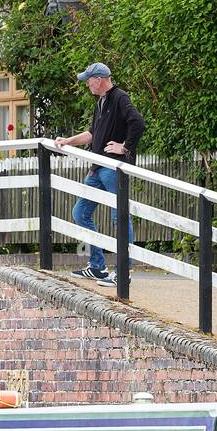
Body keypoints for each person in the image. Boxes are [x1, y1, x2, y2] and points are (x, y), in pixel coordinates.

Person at [55, 63, 145, 288]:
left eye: (88, 79)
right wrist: (67, 141)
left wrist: (125, 148)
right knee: (80, 212)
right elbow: (92, 134)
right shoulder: (100, 103)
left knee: (119, 217)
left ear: (99, 78)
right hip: (98, 168)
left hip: (113, 167)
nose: (86, 84)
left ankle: (124, 272)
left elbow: (138, 123)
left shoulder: (119, 97)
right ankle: (97, 266)